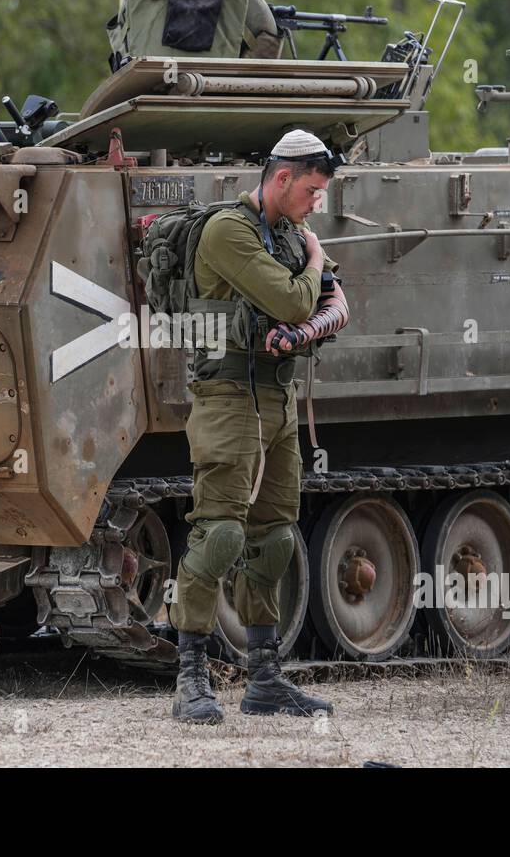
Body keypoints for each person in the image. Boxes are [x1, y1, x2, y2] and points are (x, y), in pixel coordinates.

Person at [169, 129, 350, 724]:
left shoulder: (288, 235)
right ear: (280, 179)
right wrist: (317, 263)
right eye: (311, 190)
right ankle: (190, 676)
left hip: (277, 396)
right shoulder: (230, 231)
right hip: (226, 397)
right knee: (219, 533)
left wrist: (313, 292)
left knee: (272, 538)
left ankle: (264, 678)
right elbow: (301, 302)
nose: (316, 203)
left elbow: (334, 307)